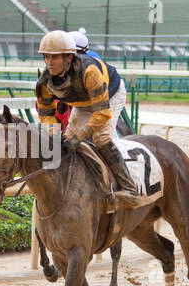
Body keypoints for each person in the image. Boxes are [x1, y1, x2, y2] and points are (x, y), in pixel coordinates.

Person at [35, 30, 141, 203]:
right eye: (46, 57)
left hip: (110, 94)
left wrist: (80, 137)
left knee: (101, 137)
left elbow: (102, 113)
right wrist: (54, 133)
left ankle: (129, 187)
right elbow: (45, 114)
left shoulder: (89, 71)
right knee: (66, 139)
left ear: (68, 58)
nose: (49, 63)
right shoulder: (44, 81)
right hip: (83, 100)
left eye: (55, 57)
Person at [70, 27, 128, 136]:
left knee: (103, 135)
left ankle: (114, 150)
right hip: (89, 94)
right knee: (74, 130)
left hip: (110, 93)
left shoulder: (88, 64)